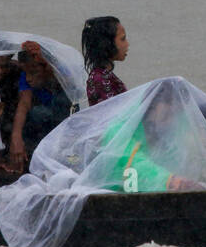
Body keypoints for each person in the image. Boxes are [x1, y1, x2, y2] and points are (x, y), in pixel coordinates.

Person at [7, 42, 75, 172]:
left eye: (33, 72)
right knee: (36, 114)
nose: (28, 79)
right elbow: (24, 104)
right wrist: (16, 137)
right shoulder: (26, 78)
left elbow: (75, 96)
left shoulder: (61, 74)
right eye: (26, 73)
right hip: (43, 125)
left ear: (48, 68)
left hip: (63, 125)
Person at [82, 16, 129, 106]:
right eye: (122, 39)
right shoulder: (99, 80)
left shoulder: (104, 75)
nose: (127, 44)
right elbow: (111, 115)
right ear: (107, 43)